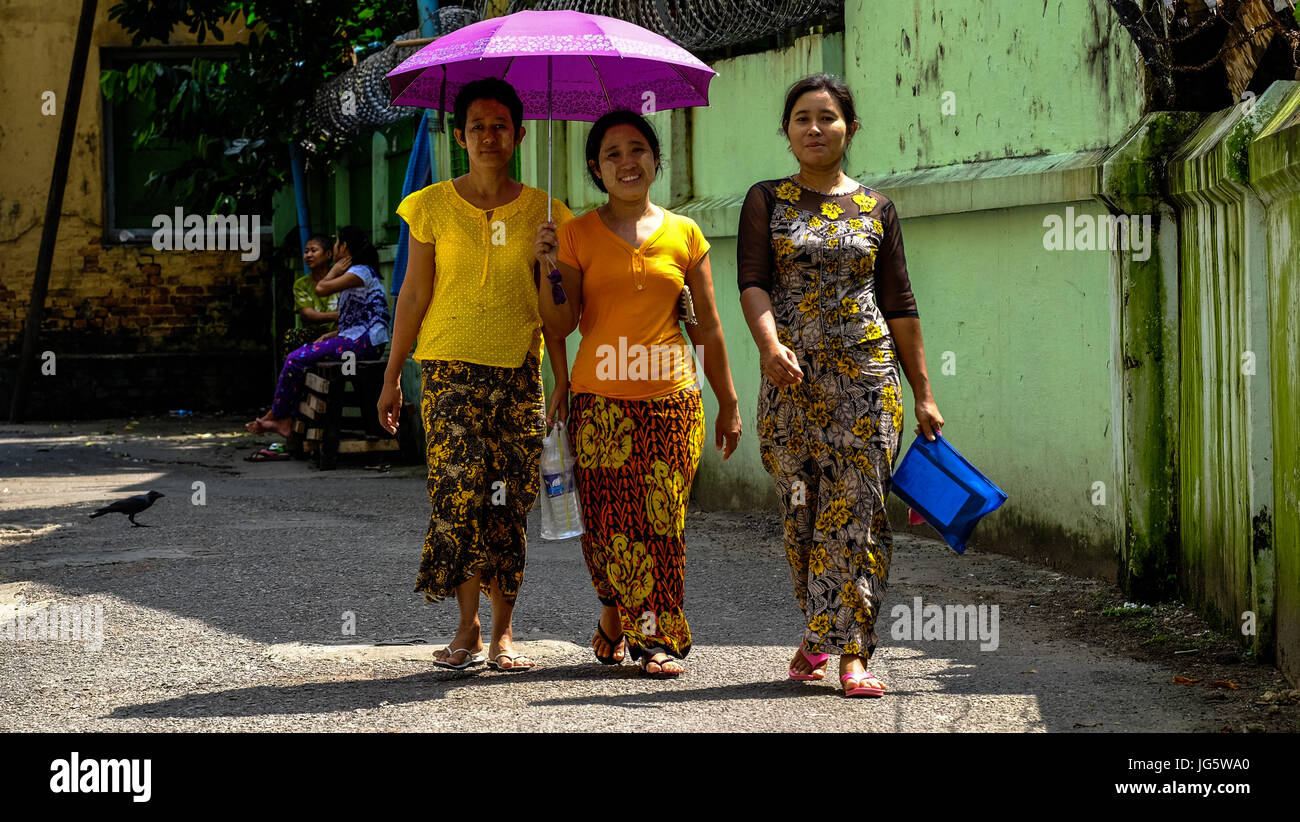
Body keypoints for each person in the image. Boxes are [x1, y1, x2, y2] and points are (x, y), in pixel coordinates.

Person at [736, 74, 944, 697]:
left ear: (850, 128)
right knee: (802, 511)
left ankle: (851, 651)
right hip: (791, 380)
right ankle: (819, 631)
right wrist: (770, 347)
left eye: (828, 117)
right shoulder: (766, 200)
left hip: (867, 377)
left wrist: (925, 391)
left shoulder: (876, 206)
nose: (815, 128)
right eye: (802, 117)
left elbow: (900, 301)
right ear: (787, 131)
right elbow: (753, 283)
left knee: (858, 512)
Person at [378, 78, 574, 673]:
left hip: (518, 372)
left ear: (519, 135)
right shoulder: (431, 205)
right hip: (447, 371)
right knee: (457, 497)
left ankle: (504, 634)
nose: (489, 135)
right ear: (461, 136)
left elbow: (557, 312)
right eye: (477, 126)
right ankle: (465, 627)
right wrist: (391, 377)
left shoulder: (548, 212)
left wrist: (550, 264)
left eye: (500, 126)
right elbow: (413, 295)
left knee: (508, 502)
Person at [536, 110, 742, 678]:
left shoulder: (686, 233)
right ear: (596, 170)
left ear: (655, 159)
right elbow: (560, 322)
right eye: (612, 154)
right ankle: (613, 615)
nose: (627, 162)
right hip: (601, 404)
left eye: (637, 149)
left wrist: (727, 400)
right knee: (609, 525)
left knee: (662, 520)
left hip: (673, 401)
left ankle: (654, 638)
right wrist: (549, 267)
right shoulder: (575, 233)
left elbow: (709, 327)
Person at [246, 226, 391, 438]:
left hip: (364, 345)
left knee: (295, 359)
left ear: (343, 247)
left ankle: (278, 417)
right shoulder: (359, 272)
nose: (334, 247)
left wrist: (334, 270)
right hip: (361, 342)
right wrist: (331, 336)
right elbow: (356, 321)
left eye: (336, 243)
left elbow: (321, 289)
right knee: (305, 357)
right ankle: (282, 416)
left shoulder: (359, 272)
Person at [283, 233, 340, 355]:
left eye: (313, 251)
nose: (308, 255)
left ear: (328, 254)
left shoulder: (342, 280)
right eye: (306, 251)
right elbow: (308, 314)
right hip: (314, 335)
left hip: (339, 333)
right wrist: (338, 315)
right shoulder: (301, 284)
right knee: (292, 336)